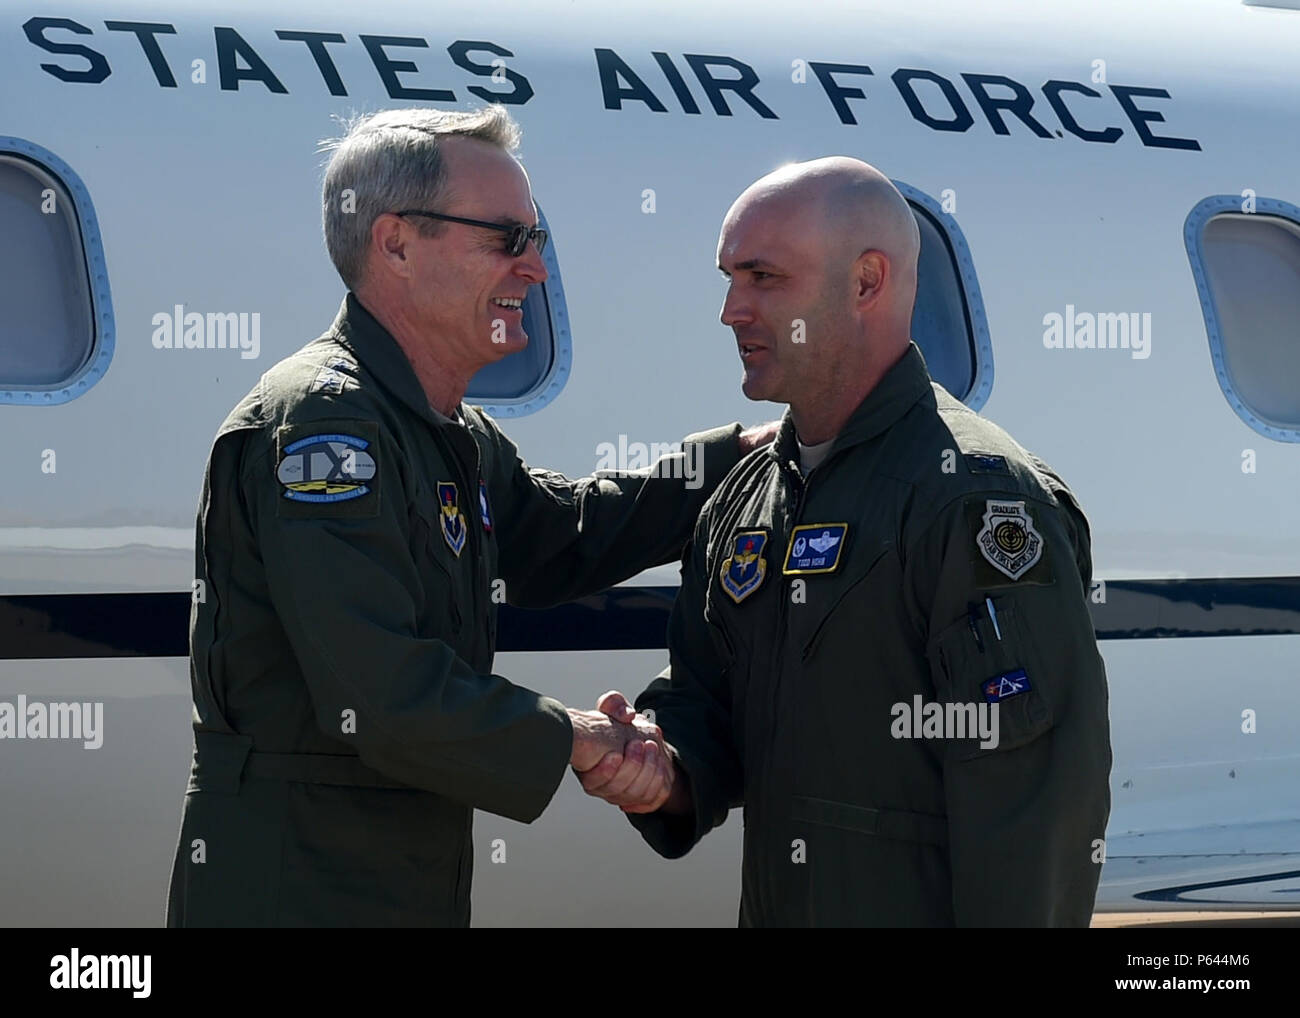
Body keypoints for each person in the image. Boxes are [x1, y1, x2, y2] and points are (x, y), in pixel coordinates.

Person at [165, 105, 773, 927]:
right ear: (395, 244)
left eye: (539, 240)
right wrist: (574, 736)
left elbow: (560, 536)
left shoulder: (440, 426)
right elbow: (380, 690)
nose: (535, 270)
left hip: (394, 872)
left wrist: (731, 461)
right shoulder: (328, 425)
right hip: (300, 883)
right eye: (506, 238)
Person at [578, 157, 1112, 927]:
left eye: (763, 277)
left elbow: (1036, 809)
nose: (731, 309)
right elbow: (708, 701)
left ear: (866, 283)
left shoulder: (971, 498)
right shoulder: (744, 496)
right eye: (729, 278)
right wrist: (663, 767)